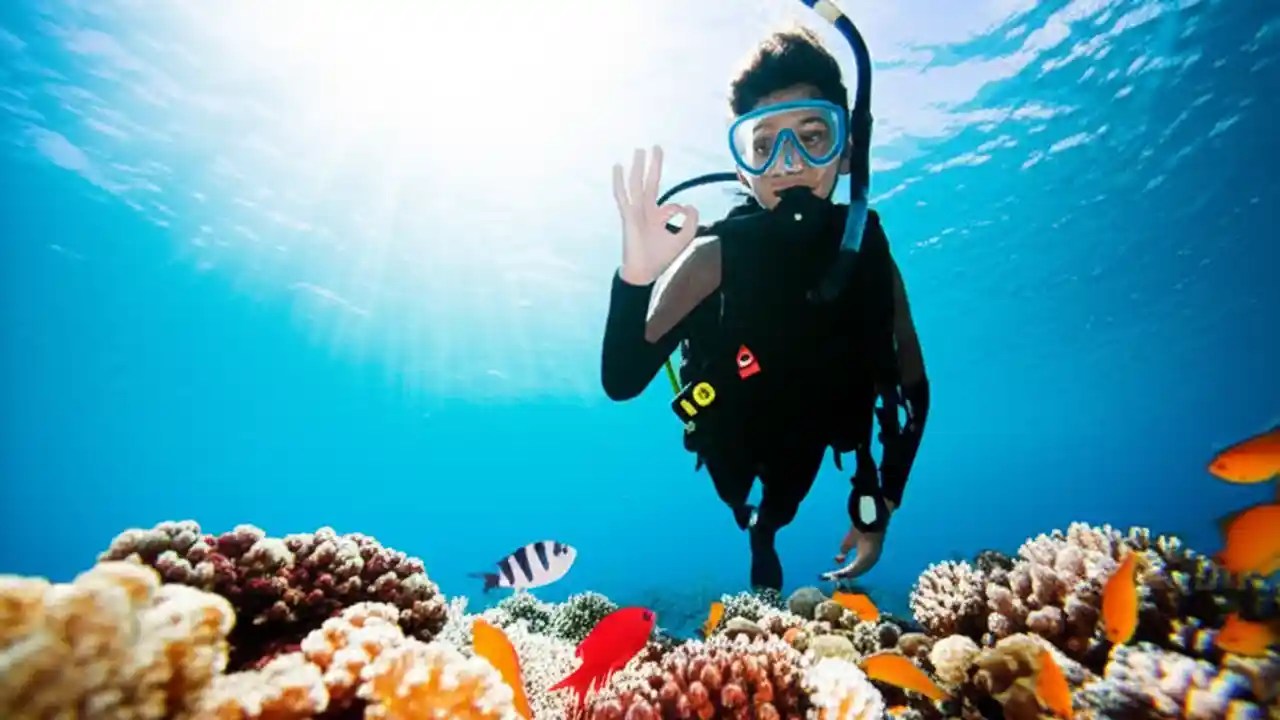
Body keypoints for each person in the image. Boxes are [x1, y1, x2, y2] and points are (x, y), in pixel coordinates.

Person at [600, 24, 929, 592]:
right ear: (741, 167)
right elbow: (622, 379)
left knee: (787, 501)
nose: (788, 162)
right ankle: (759, 531)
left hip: (819, 430)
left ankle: (767, 529)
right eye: (763, 143)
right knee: (749, 503)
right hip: (736, 432)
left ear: (847, 151)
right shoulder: (713, 258)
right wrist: (636, 275)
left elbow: (914, 388)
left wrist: (882, 497)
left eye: (812, 135)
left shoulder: (870, 254)